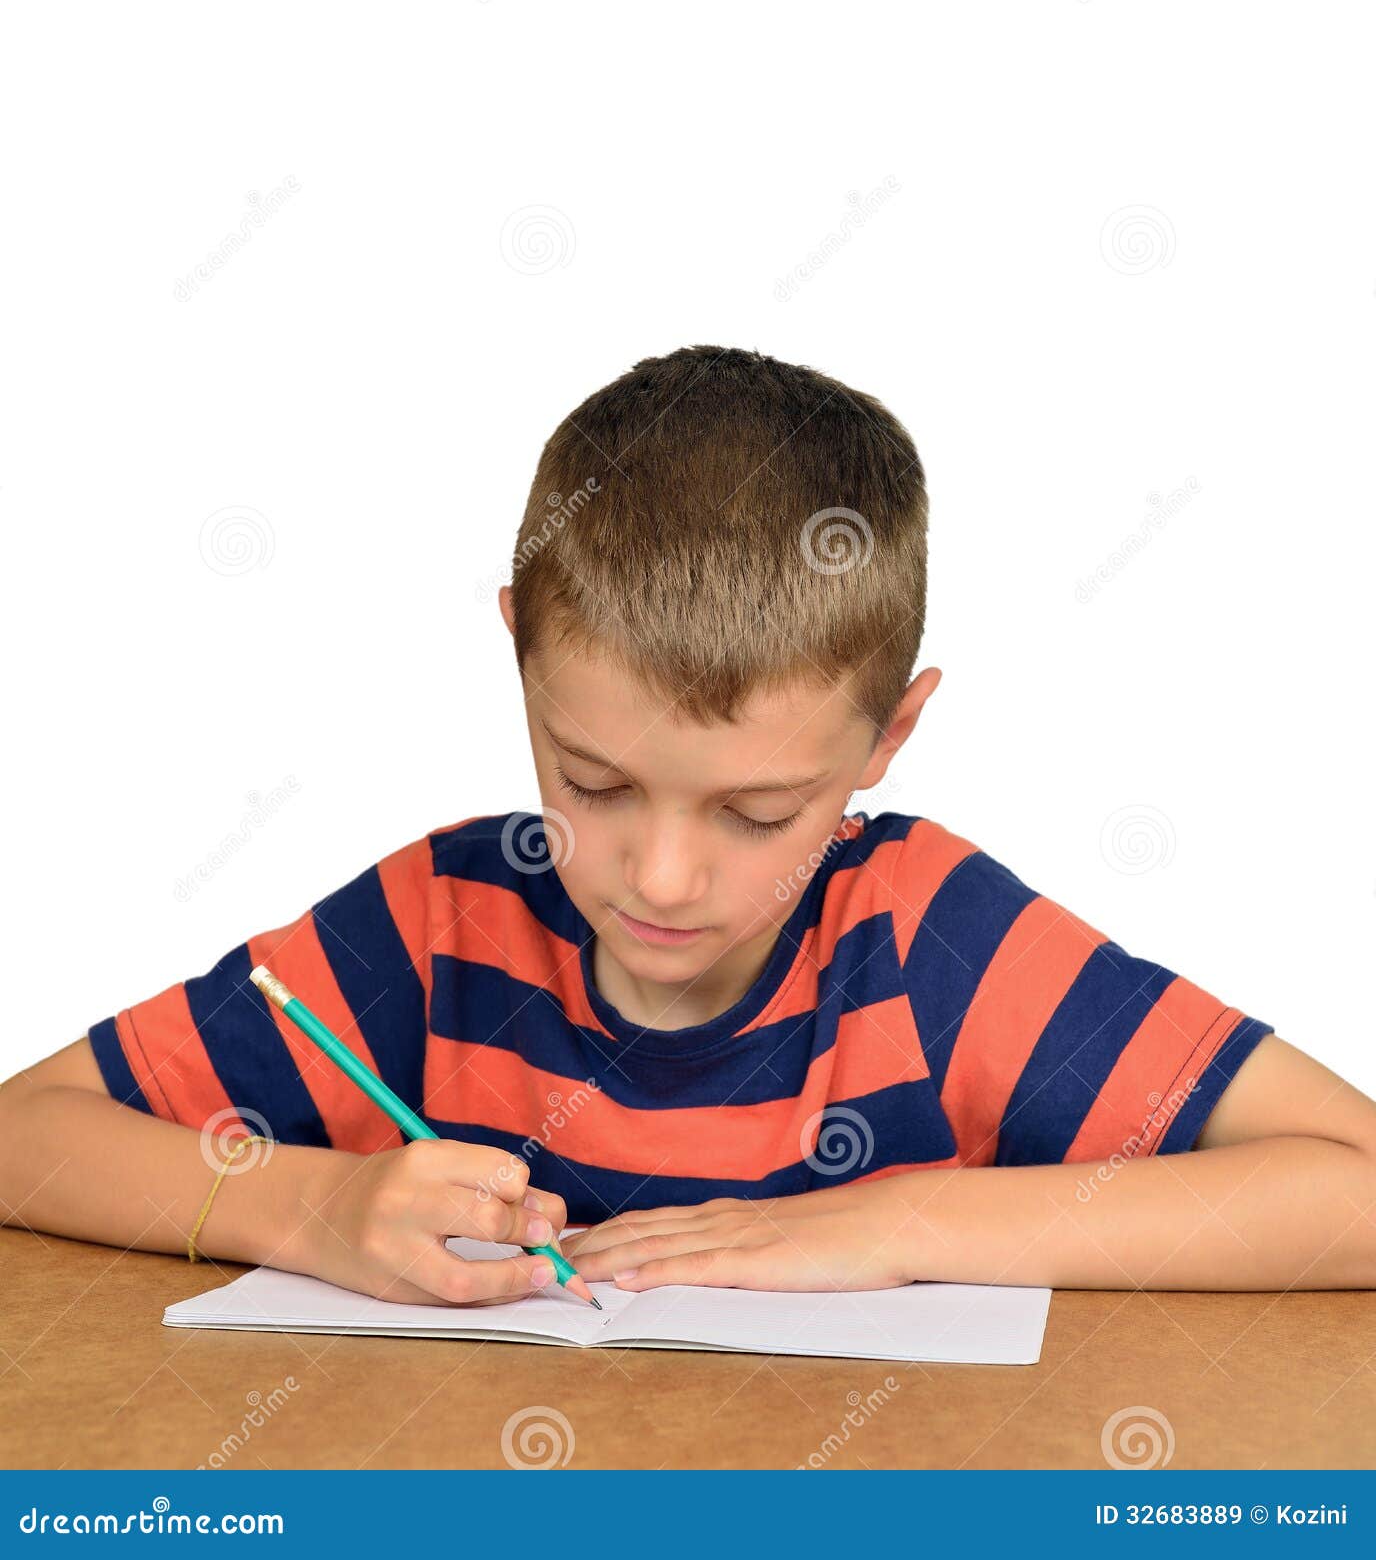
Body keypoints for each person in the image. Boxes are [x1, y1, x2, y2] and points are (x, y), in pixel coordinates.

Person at [4, 345, 1374, 1303]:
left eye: (759, 811)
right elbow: (24, 1131)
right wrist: (312, 1209)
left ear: (889, 737)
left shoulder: (929, 942)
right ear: (519, 658)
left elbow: (1357, 1188)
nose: (659, 877)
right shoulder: (442, 926)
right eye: (593, 783)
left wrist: (894, 1222)